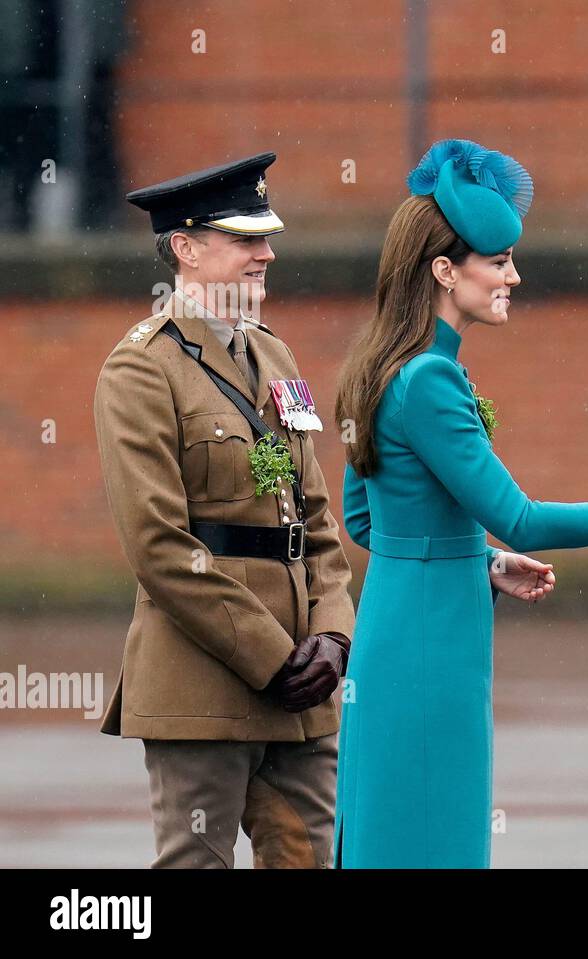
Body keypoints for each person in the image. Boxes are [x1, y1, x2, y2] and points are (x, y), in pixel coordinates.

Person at [332, 138, 588, 868]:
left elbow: (367, 520)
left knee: (395, 834)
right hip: (430, 651)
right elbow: (519, 515)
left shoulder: (385, 365)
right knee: (433, 841)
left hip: (398, 628)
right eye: (498, 260)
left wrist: (476, 564)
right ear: (445, 271)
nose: (515, 273)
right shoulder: (431, 381)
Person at [93, 153, 355, 868]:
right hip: (203, 682)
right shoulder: (141, 368)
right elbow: (160, 547)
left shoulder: (276, 357)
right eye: (244, 237)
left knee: (307, 860)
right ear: (184, 247)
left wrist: (333, 636)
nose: (265, 252)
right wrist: (274, 657)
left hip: (304, 690)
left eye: (265, 236)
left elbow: (318, 524)